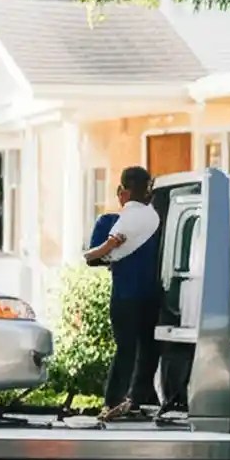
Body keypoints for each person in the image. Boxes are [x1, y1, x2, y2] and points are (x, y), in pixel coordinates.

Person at [83, 166, 161, 421]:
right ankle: (125, 400)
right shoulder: (147, 221)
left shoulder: (123, 222)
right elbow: (92, 258)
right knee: (139, 349)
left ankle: (124, 400)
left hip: (134, 295)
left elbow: (93, 258)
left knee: (136, 348)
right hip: (141, 295)